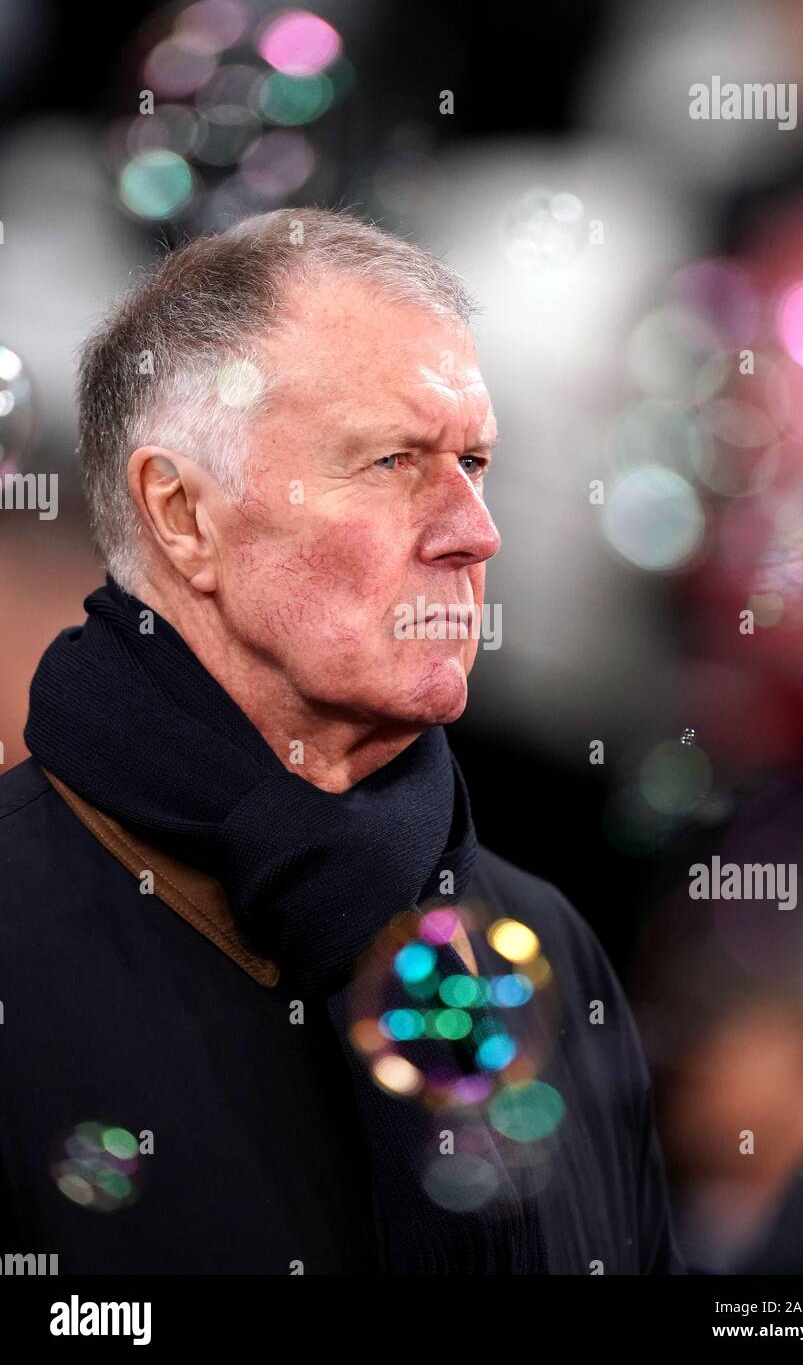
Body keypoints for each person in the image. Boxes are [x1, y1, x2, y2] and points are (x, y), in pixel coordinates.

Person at [0, 206, 681, 1275]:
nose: (475, 529)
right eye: (395, 461)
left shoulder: (548, 946)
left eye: (477, 461)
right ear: (181, 516)